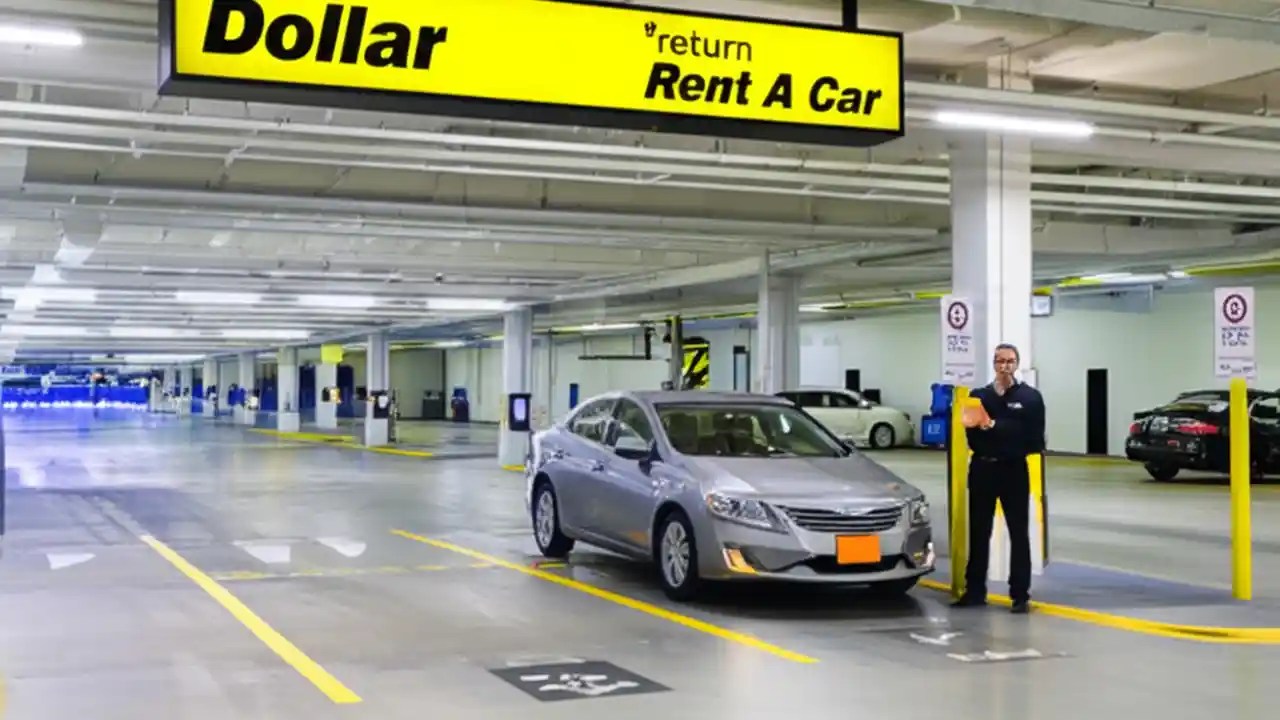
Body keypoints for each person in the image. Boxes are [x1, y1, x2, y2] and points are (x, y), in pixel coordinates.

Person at [952, 342, 1045, 614]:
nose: (1005, 366)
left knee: (1019, 533)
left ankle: (1020, 594)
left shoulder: (1030, 398)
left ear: (1017, 364)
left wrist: (993, 426)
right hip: (983, 469)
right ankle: (974, 591)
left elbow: (1033, 439)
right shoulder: (977, 396)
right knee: (979, 531)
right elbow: (972, 434)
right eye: (1000, 361)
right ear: (993, 363)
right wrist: (1005, 431)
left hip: (1014, 470)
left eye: (1010, 361)